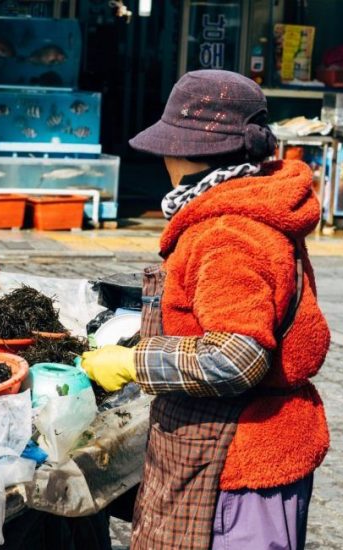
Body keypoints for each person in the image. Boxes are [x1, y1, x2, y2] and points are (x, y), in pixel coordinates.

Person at [80, 70, 330, 549]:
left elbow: (237, 357)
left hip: (237, 464)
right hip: (250, 449)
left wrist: (131, 363)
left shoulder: (226, 233)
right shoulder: (253, 205)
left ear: (187, 152)